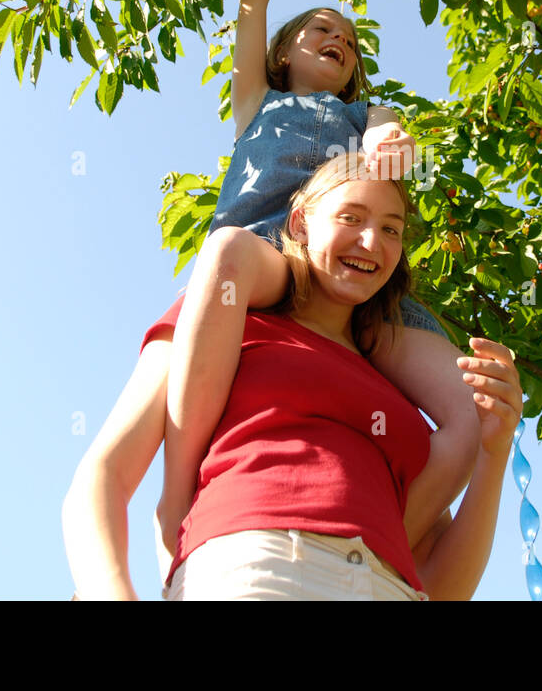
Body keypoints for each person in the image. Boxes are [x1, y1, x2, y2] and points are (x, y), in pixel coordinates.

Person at [157, 0, 480, 563]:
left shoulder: (365, 115)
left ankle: (393, 545)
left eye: (352, 42)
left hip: (357, 275)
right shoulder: (259, 101)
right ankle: (178, 495)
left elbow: (393, 140)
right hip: (274, 257)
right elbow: (251, 11)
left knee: (472, 409)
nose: (340, 41)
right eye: (321, 30)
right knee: (225, 255)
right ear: (283, 54)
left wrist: (393, 144)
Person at [66, 152, 519, 599]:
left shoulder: (398, 400)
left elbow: (440, 589)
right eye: (351, 217)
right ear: (301, 223)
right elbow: (103, 475)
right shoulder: (224, 316)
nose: (371, 242)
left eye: (391, 229)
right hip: (259, 566)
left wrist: (494, 452)